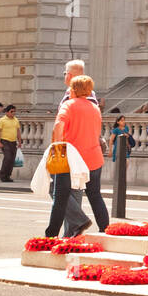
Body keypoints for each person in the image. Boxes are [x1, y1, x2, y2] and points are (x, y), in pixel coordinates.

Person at [44, 75, 109, 237]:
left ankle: (52, 234)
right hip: (93, 157)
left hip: (71, 157)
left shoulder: (69, 105)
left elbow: (59, 125)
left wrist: (56, 145)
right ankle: (105, 228)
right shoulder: (95, 108)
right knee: (95, 194)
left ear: (74, 90)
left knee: (60, 195)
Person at [57, 60, 101, 237]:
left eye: (65, 73)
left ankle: (77, 223)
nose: (64, 76)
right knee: (75, 191)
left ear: (70, 76)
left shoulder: (72, 100)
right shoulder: (92, 102)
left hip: (73, 151)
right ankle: (71, 232)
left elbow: (59, 127)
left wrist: (55, 147)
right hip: (89, 152)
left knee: (61, 189)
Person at [0, 105, 21, 182]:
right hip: (5, 141)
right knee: (8, 158)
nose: (13, 113)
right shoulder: (2, 120)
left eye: (14, 111)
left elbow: (18, 131)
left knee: (12, 159)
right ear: (7, 112)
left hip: (13, 142)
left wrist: (19, 141)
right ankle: (3, 176)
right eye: (11, 111)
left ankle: (8, 176)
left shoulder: (16, 120)